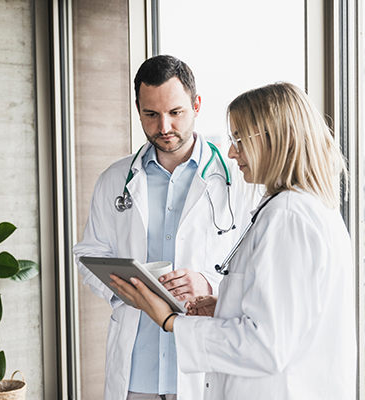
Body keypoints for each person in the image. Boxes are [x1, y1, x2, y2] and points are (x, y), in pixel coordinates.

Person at [110, 82, 357, 400]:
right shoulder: (299, 208)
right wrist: (225, 308)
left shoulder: (289, 217)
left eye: (240, 139)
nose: (231, 152)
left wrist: (169, 319)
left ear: (275, 140)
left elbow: (266, 346)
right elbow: (284, 317)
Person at [73, 55, 253, 400]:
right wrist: (120, 288)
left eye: (176, 112)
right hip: (137, 369)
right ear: (138, 109)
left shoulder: (238, 182)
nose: (164, 127)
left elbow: (255, 268)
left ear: (197, 105)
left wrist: (207, 283)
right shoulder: (114, 180)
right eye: (151, 115)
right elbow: (89, 252)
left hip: (202, 363)